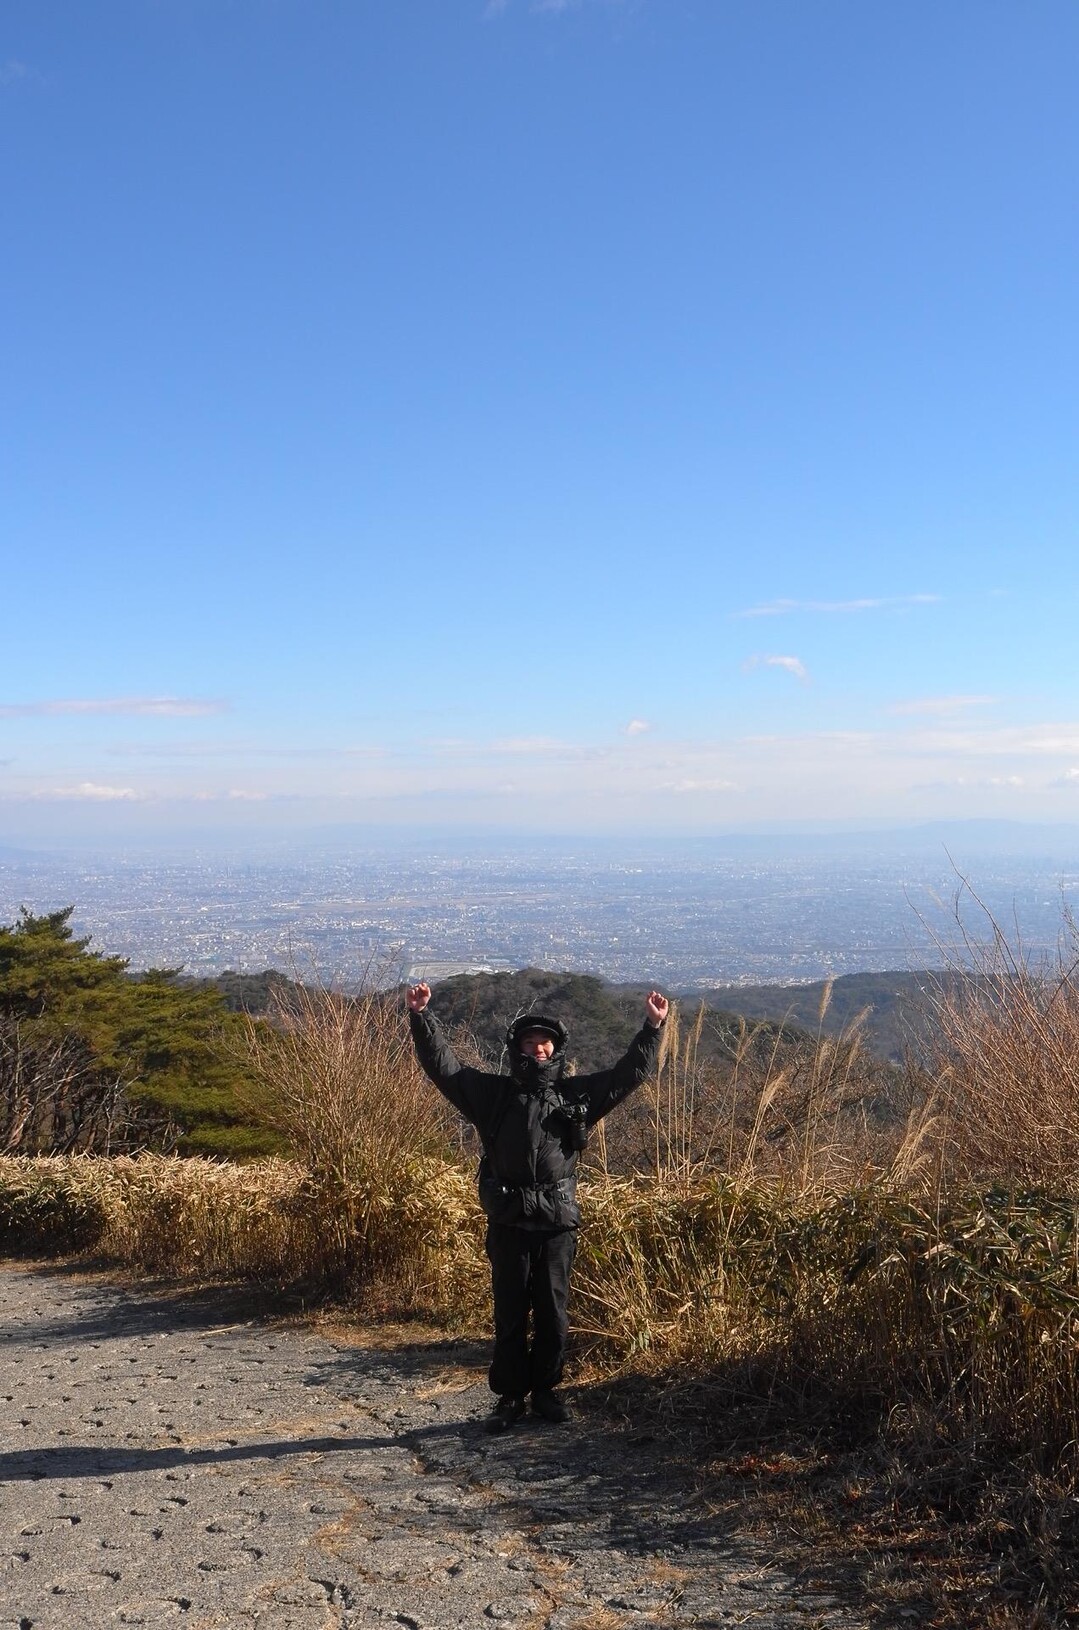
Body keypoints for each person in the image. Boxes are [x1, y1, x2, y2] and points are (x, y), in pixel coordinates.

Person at [405, 980, 669, 1432]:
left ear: (557, 1048)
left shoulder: (575, 1097)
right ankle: (510, 1397)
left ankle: (546, 1391)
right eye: (530, 1041)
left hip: (556, 1222)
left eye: (545, 1041)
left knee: (553, 1310)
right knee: (509, 1310)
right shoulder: (493, 1096)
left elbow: (630, 1075)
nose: (538, 1048)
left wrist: (652, 1027)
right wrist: (421, 1017)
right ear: (517, 1048)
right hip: (508, 1219)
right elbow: (443, 1068)